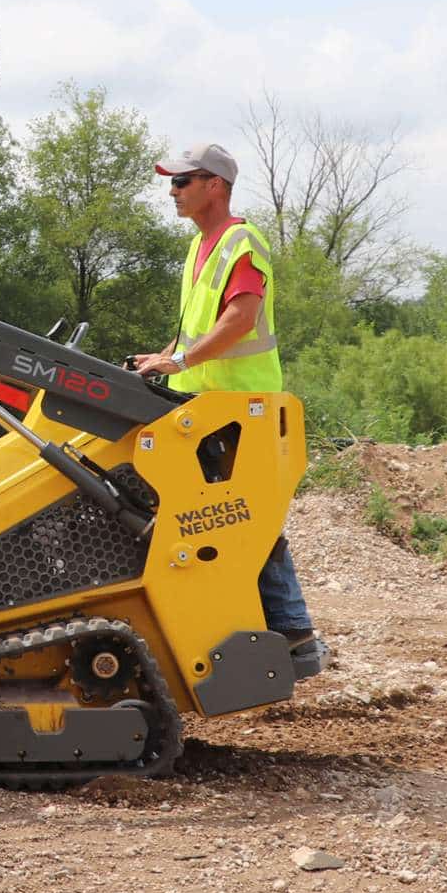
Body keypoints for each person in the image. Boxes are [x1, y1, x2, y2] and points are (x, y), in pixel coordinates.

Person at [131, 142, 329, 679]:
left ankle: (292, 633)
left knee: (243, 521)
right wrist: (164, 357)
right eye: (172, 183)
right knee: (216, 521)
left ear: (214, 185)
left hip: (243, 409)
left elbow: (240, 319)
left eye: (182, 182)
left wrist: (181, 359)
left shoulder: (241, 240)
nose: (172, 191)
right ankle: (265, 630)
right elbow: (195, 328)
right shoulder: (199, 247)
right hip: (205, 407)